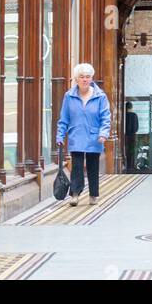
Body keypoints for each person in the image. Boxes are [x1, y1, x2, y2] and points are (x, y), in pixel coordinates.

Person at [56, 63, 111, 207]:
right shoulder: (69, 96)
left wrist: (103, 134)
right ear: (76, 79)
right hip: (77, 135)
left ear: (91, 78)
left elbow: (106, 117)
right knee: (77, 167)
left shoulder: (100, 96)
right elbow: (64, 118)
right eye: (81, 77)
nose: (85, 80)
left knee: (93, 167)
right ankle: (75, 194)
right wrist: (60, 135)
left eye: (88, 77)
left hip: (94, 137)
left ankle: (93, 195)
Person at [124, 100, 139, 172]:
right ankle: (131, 166)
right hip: (132, 136)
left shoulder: (123, 115)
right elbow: (136, 127)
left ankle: (125, 165)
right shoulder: (134, 115)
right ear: (131, 107)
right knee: (132, 151)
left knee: (125, 151)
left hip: (124, 136)